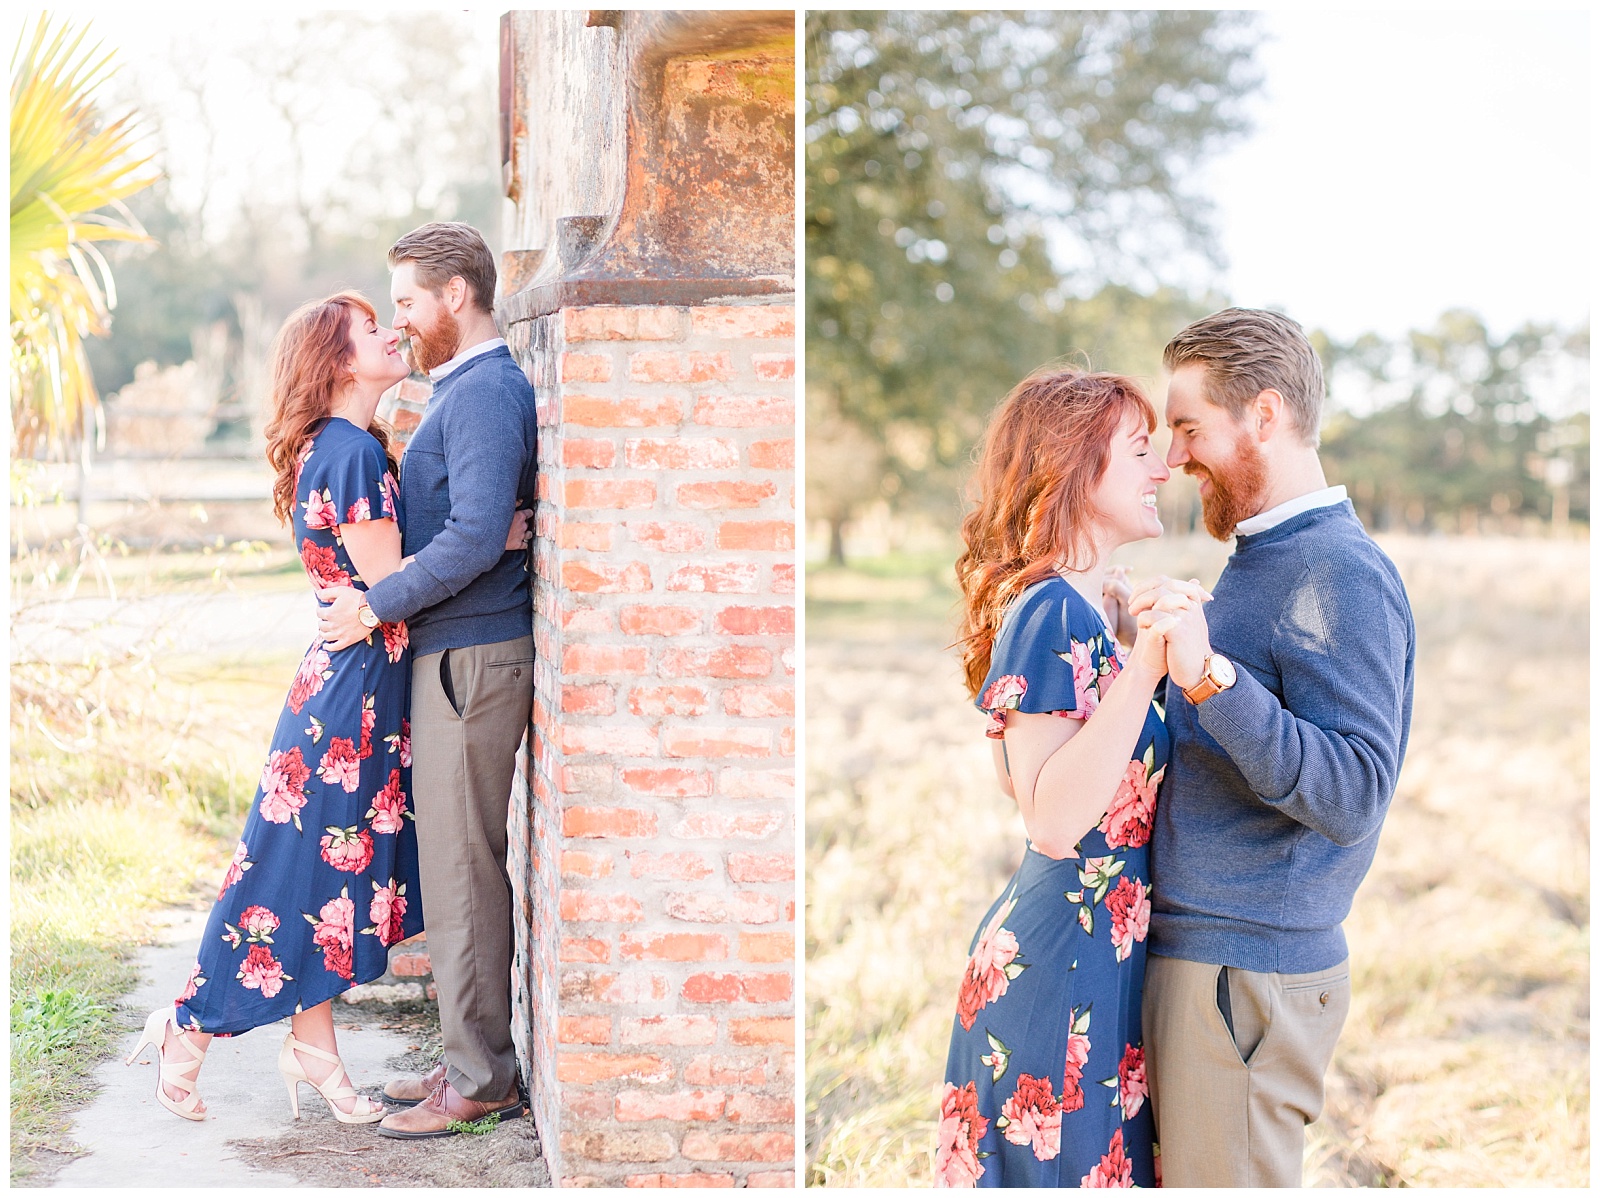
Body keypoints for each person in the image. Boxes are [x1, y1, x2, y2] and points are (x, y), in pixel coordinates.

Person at [125, 292, 519, 1123]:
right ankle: (189, 1029)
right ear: (341, 362)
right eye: (371, 329)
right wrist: (495, 541)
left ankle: (318, 1059)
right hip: (353, 701)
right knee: (292, 871)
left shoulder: (348, 446)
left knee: (320, 876)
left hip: (350, 687)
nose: (391, 333)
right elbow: (390, 590)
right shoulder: (347, 454)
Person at [1130, 307, 1416, 1187]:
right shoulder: (1265, 557)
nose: (1173, 458)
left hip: (1244, 978)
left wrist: (1211, 676)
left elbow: (1355, 791)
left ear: (1263, 415)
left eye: (1188, 428)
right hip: (1214, 965)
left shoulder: (1337, 573)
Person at [937, 368, 1201, 1187]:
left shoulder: (1080, 612)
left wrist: (1123, 643)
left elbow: (1042, 769)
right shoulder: (1048, 609)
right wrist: (1143, 670)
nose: (1162, 469)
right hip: (1059, 976)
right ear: (1077, 468)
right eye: (1137, 451)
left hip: (1096, 962)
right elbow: (1048, 819)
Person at [316, 222, 538, 1139]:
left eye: (407, 301)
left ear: (456, 296)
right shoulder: (461, 391)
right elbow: (483, 528)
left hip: (472, 660)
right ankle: (468, 1062)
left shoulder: (485, 391)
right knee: (456, 870)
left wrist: (375, 605)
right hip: (454, 654)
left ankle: (480, 1080)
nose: (399, 321)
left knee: (462, 871)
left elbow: (477, 535)